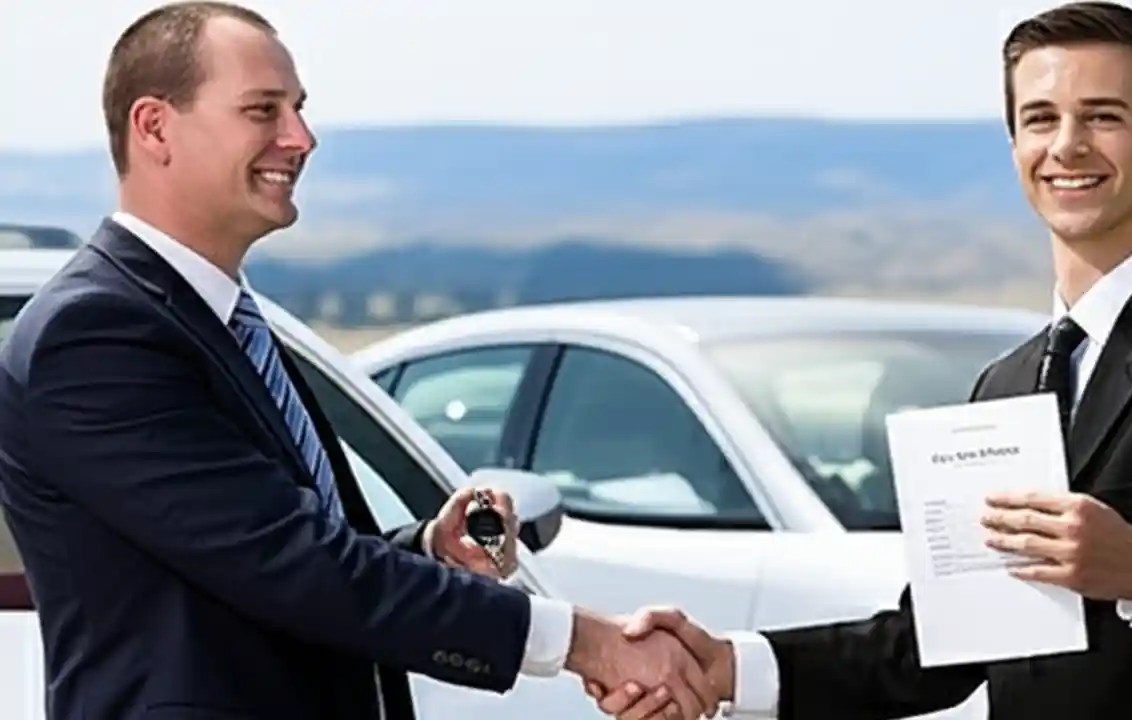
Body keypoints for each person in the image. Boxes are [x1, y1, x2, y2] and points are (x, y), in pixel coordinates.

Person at [0, 3, 718, 719]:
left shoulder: (227, 325)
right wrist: (584, 642)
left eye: (299, 109)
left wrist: (432, 551)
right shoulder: (94, 336)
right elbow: (293, 564)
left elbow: (289, 551)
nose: (301, 137)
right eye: (262, 110)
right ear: (154, 126)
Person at [587, 2, 1132, 719]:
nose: (1067, 146)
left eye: (1102, 117)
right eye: (1040, 119)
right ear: (1015, 147)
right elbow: (934, 651)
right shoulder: (1003, 385)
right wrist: (725, 666)